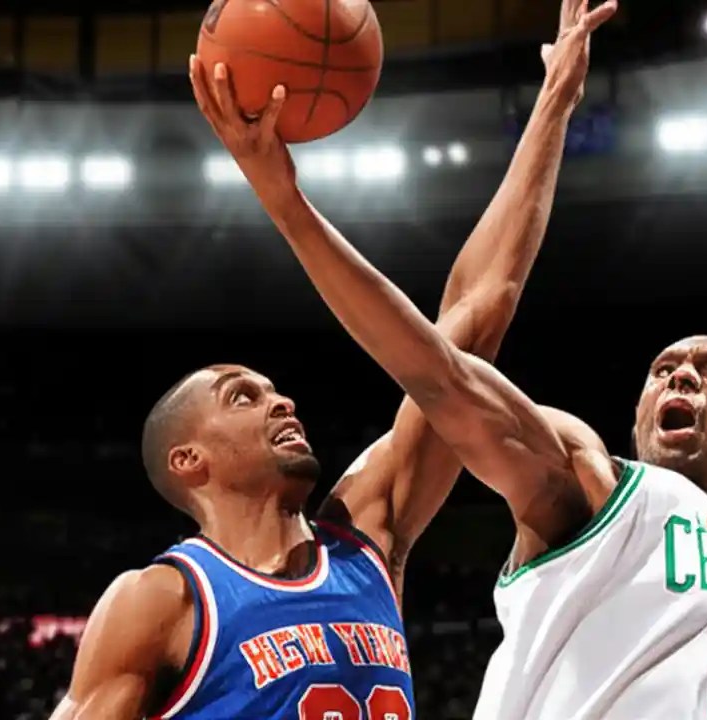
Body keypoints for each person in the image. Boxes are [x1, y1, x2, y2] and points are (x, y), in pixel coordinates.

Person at [222, 6, 707, 718]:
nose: (681, 374)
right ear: (637, 415)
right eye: (662, 370)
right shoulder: (593, 483)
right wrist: (288, 205)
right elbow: (441, 364)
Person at [47, 2, 614, 717]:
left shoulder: (368, 537)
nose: (282, 402)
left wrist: (553, 108)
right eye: (241, 397)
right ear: (189, 460)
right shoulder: (160, 601)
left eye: (274, 390)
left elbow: (475, 316)